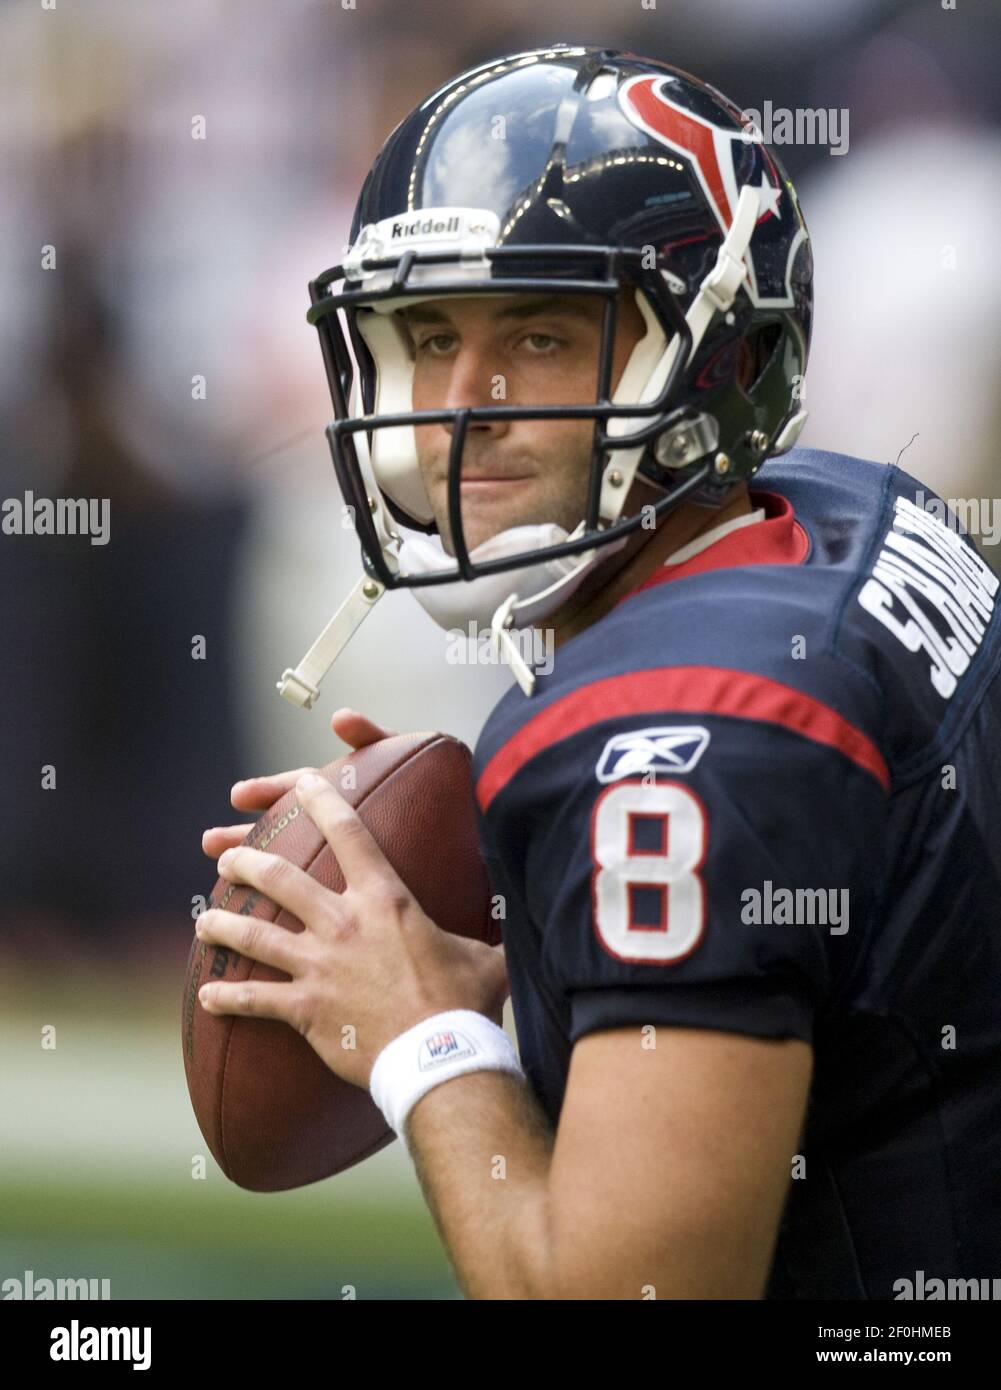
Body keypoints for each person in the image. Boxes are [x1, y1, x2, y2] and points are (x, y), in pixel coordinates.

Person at [197, 46, 1001, 1299]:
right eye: (426, 336)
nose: (463, 405)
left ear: (722, 354)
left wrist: (428, 1039)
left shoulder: (678, 730)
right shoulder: (848, 510)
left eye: (538, 333)